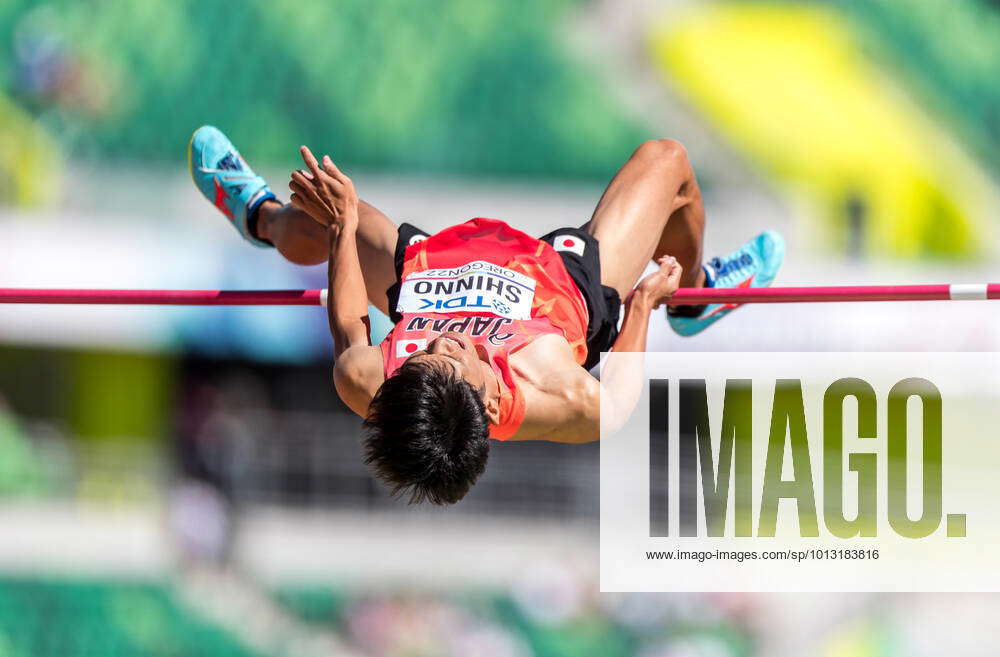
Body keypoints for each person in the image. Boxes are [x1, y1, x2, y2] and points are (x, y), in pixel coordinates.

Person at [188, 126, 784, 504]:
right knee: (669, 160)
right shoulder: (561, 395)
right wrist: (646, 306)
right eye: (455, 360)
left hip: (430, 268)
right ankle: (698, 300)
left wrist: (345, 222)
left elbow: (348, 319)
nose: (443, 343)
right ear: (489, 402)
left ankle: (257, 215)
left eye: (421, 354)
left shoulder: (371, 382)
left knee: (324, 215)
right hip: (566, 282)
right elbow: (620, 400)